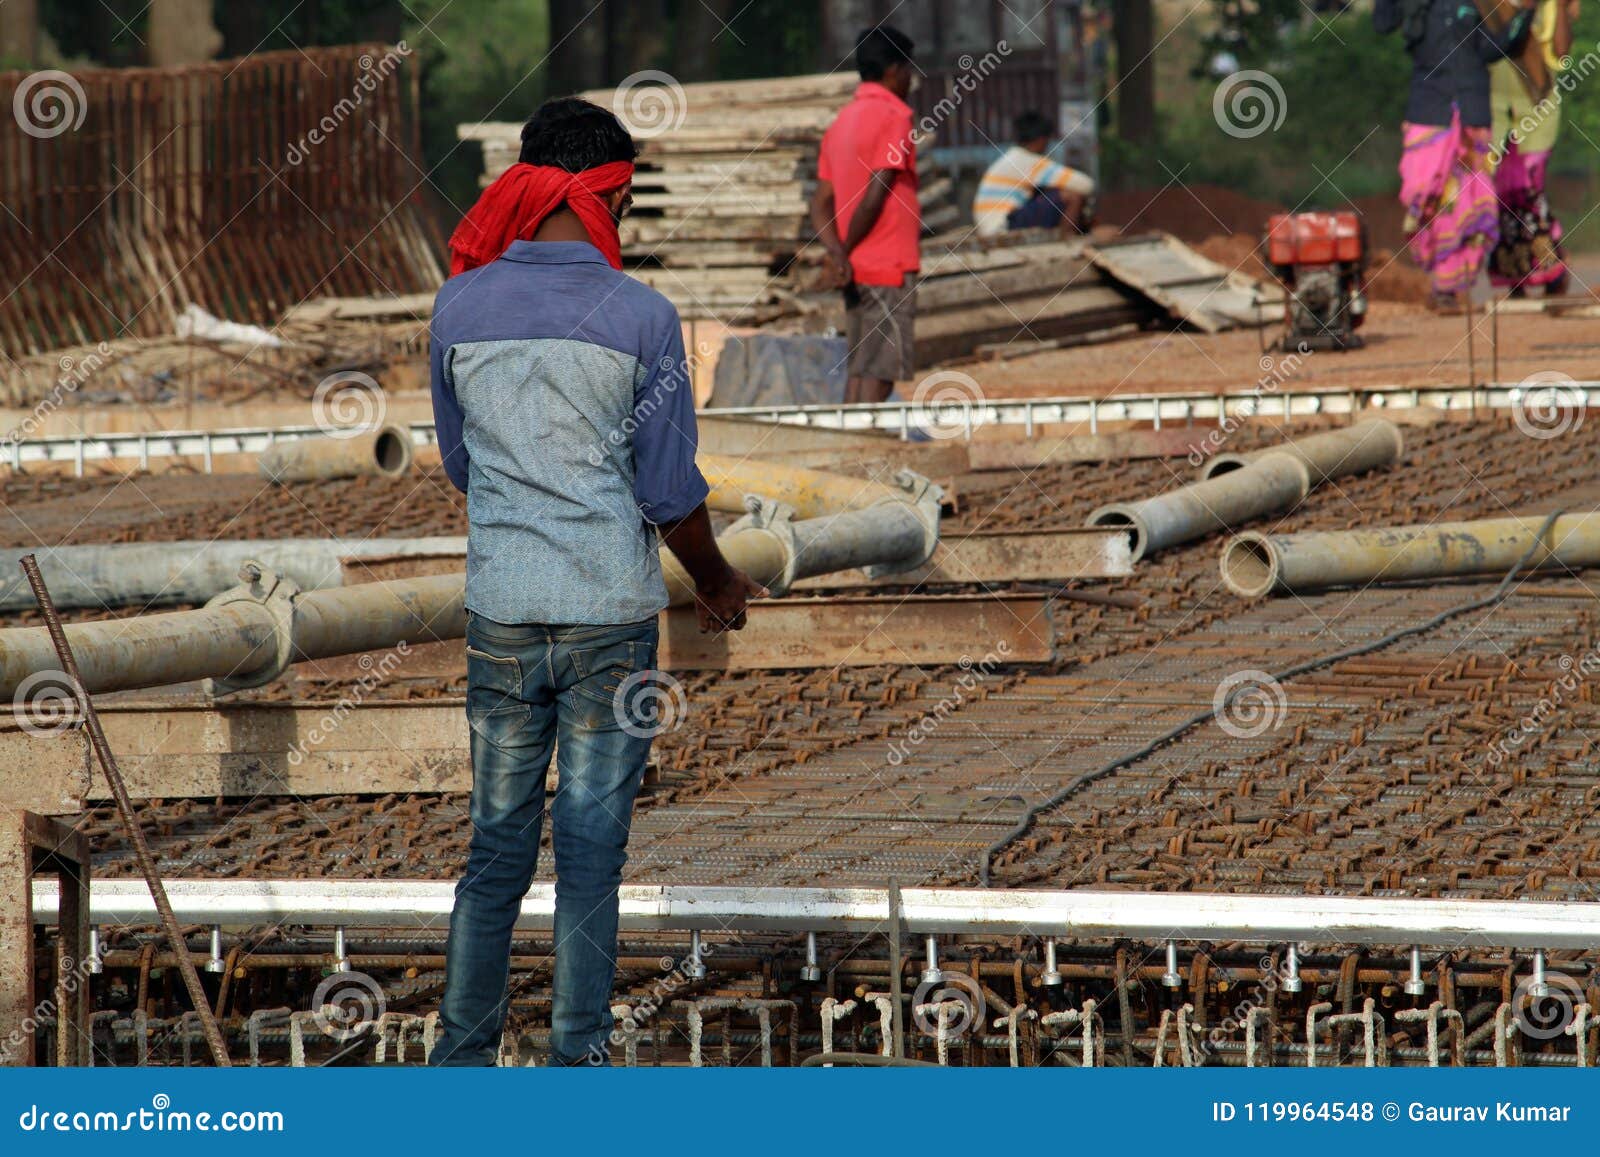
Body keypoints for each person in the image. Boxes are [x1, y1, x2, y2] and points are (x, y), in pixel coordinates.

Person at [427, 97, 765, 1066]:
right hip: (608, 620)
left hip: (501, 612)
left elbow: (461, 464)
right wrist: (717, 579)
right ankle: (577, 1064)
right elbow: (665, 491)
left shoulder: (457, 307)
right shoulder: (644, 317)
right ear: (610, 195)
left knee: (494, 847)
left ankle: (459, 1064)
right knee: (588, 854)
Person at [1375, 0, 1536, 309]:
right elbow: (1382, 24)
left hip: (1472, 114)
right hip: (1429, 109)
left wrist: (1526, 13)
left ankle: (1449, 288)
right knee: (1422, 194)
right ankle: (1442, 277)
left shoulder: (1470, 5)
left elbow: (1492, 49)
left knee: (1468, 202)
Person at [810, 25, 921, 404]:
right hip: (887, 264)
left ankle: (846, 439)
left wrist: (838, 252)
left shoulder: (841, 123)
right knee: (880, 372)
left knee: (860, 370)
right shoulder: (895, 117)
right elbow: (876, 193)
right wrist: (845, 249)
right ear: (893, 70)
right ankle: (864, 440)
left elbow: (819, 202)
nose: (911, 80)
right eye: (908, 69)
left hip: (855, 270)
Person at [1488, 0, 1576, 295]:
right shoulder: (1490, 6)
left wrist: (1559, 6)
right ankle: (1516, 277)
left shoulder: (1548, 5)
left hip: (1538, 107)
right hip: (1495, 108)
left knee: (1528, 191)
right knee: (1502, 196)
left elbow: (1562, 53)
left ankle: (1552, 272)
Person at [972, 110, 1095, 240]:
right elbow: (1086, 185)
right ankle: (1068, 238)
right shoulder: (1028, 161)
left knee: (1050, 192)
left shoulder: (1012, 158)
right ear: (1042, 140)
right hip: (1001, 225)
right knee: (1071, 195)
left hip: (992, 225)